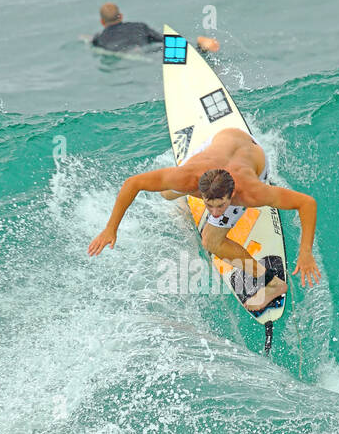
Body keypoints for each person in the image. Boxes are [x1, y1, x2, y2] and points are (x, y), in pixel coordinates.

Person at [87, 127, 320, 311]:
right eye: (209, 204)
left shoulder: (252, 192)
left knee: (212, 242)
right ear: (199, 191)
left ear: (232, 196)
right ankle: (182, 199)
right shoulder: (186, 178)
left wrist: (306, 252)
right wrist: (110, 229)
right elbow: (133, 183)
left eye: (221, 206)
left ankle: (272, 284)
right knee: (166, 193)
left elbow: (306, 203)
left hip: (253, 157)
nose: (214, 212)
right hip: (223, 138)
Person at [91, 3, 219, 54]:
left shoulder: (99, 39)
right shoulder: (139, 26)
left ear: (102, 22)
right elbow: (162, 39)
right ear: (121, 16)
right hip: (150, 47)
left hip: (136, 53)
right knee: (170, 49)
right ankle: (199, 47)